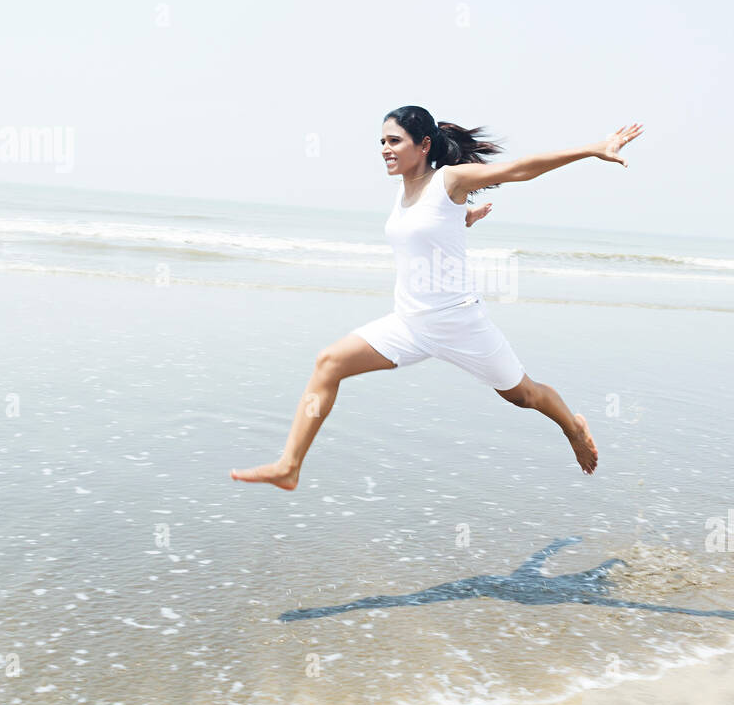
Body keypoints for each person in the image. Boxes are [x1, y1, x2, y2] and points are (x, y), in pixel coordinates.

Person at [231, 106, 642, 491]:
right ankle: (289, 467)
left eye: (394, 141)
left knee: (525, 396)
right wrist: (461, 221)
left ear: (423, 145)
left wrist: (592, 149)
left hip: (460, 324)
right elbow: (426, 230)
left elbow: (519, 170)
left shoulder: (450, 180)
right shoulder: (405, 192)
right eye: (381, 142)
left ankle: (573, 427)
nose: (384, 150)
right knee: (329, 362)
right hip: (409, 325)